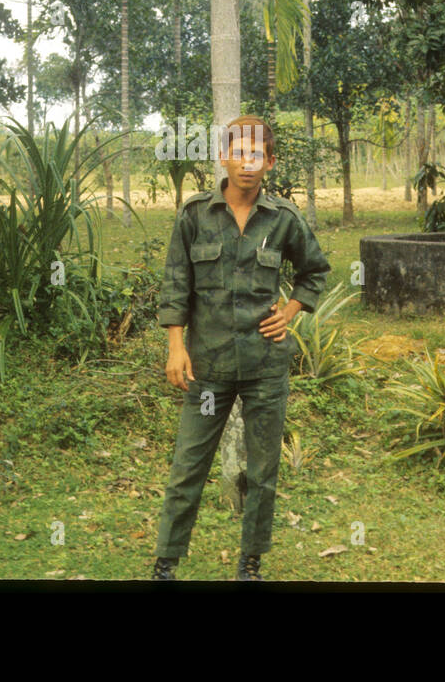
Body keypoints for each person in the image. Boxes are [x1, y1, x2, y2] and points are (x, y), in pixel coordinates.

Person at [151, 116, 330, 581]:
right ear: (223, 157)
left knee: (263, 470)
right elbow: (176, 283)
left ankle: (251, 559)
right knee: (189, 464)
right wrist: (175, 347)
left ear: (270, 161)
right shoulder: (195, 215)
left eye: (256, 155)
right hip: (207, 368)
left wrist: (290, 311)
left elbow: (314, 271)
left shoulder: (284, 218)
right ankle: (166, 560)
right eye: (238, 153)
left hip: (264, 366)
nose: (247, 164)